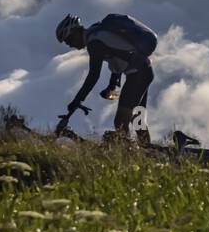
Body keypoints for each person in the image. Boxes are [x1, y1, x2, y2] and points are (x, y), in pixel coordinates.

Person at [56, 13, 159, 146]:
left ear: (75, 32)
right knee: (137, 119)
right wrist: (112, 85)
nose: (70, 45)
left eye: (68, 40)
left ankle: (128, 151)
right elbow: (118, 56)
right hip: (144, 71)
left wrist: (77, 100)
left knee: (121, 121)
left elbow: (93, 76)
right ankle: (147, 150)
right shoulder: (97, 33)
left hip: (138, 75)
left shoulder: (94, 42)